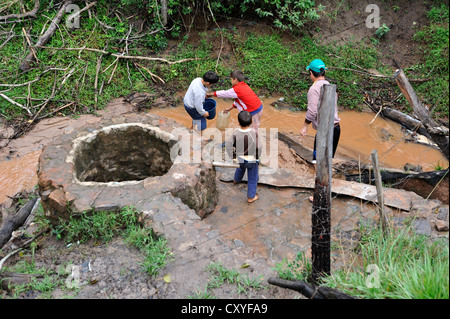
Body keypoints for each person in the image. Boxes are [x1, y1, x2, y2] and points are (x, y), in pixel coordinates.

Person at [300, 59, 341, 163]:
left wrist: (305, 126)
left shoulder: (314, 89)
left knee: (317, 161)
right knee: (327, 161)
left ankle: (318, 179)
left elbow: (312, 112)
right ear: (324, 72)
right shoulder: (331, 87)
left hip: (324, 131)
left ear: (311, 73)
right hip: (336, 128)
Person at [225, 111, 261, 203]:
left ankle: (236, 180)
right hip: (251, 160)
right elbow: (258, 147)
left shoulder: (235, 133)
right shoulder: (253, 134)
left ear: (238, 122)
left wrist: (233, 156)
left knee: (240, 168)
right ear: (252, 121)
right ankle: (251, 197)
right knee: (252, 178)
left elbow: (228, 146)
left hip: (240, 158)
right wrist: (257, 158)